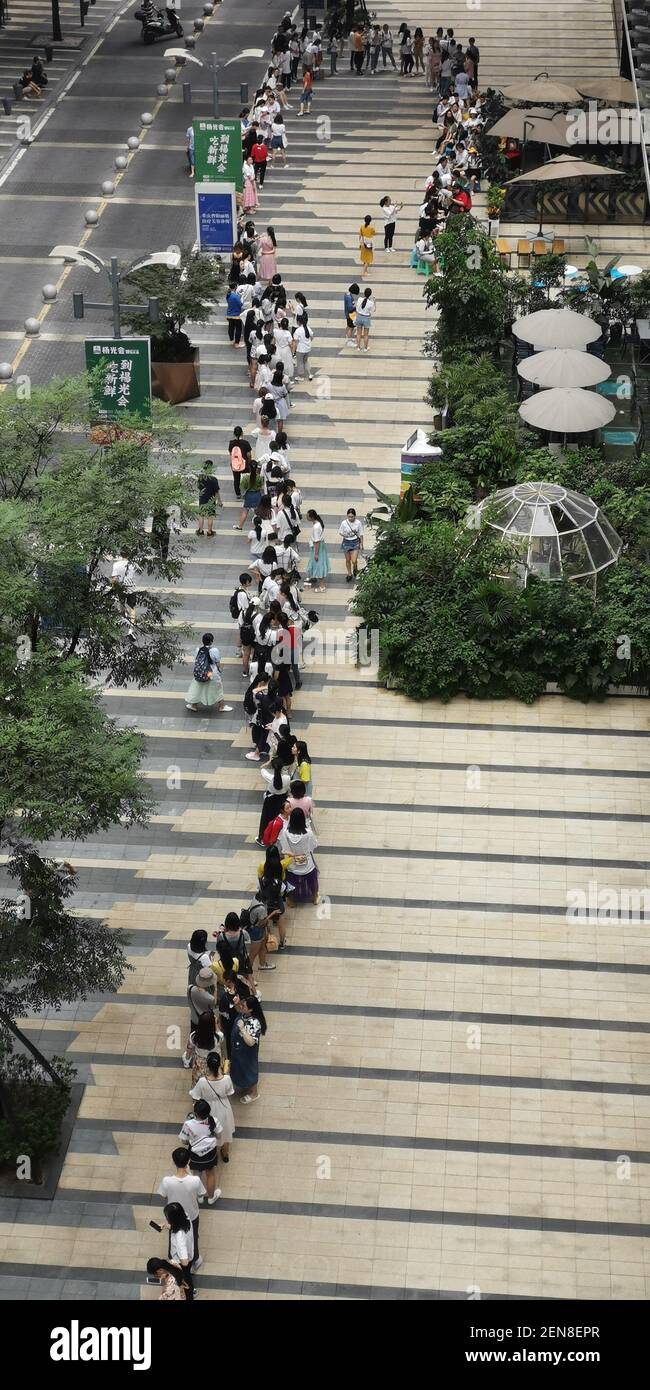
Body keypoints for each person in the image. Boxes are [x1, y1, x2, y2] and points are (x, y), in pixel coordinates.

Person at [158, 1148, 207, 1272]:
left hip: (173, 1215)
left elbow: (163, 1195)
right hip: (192, 1214)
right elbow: (201, 1193)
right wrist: (190, 1174)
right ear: (188, 1161)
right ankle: (194, 1259)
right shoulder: (195, 1180)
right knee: (193, 1236)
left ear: (173, 1161)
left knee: (174, 1235)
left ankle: (174, 1258)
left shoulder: (167, 1181)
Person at [190, 1051, 236, 1162]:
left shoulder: (202, 1081)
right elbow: (230, 1092)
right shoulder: (227, 1079)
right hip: (224, 1107)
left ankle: (211, 1152)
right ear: (220, 1064)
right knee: (225, 1129)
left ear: (207, 1065)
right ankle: (225, 1153)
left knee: (210, 1131)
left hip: (208, 1109)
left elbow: (195, 1095)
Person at [178, 1099, 221, 1201]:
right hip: (210, 1152)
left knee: (196, 1174)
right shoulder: (213, 1121)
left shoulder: (188, 1124)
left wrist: (190, 1142)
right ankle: (211, 1197)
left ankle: (199, 1196)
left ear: (195, 1112)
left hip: (194, 1153)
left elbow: (184, 1141)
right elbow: (219, 1136)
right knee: (210, 1174)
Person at [230, 993, 267, 1102]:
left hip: (247, 1053)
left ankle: (254, 1093)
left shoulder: (255, 1023)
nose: (242, 1007)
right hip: (238, 1051)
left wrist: (242, 1029)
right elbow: (239, 1011)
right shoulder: (245, 1014)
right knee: (240, 1068)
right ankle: (242, 1083)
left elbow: (251, 1042)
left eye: (244, 1006)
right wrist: (237, 1004)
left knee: (249, 1070)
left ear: (250, 1009)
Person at [278, 807, 319, 904]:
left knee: (291, 883)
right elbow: (313, 845)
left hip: (292, 866)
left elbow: (285, 849)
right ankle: (314, 897)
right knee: (312, 881)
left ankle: (291, 901)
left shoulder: (285, 833)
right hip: (307, 865)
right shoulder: (308, 833)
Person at [185, 633, 233, 714]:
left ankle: (194, 705)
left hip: (202, 672)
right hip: (211, 672)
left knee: (199, 687)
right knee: (217, 688)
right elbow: (217, 663)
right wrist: (219, 671)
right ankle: (221, 706)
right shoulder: (214, 650)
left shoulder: (198, 650)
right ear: (211, 642)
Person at [162, 1203, 195, 1300]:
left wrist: (175, 1264)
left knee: (185, 1280)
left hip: (181, 1263)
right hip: (191, 1253)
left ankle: (189, 1296)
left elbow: (184, 1262)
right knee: (187, 1278)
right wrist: (167, 1226)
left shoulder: (179, 1236)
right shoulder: (186, 1216)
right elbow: (178, 1225)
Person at [305, 508, 329, 591]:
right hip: (320, 547)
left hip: (317, 548)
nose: (306, 517)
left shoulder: (316, 527)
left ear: (311, 517)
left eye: (307, 516)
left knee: (319, 565)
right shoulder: (318, 523)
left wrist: (316, 553)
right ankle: (320, 583)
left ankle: (322, 586)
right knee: (319, 565)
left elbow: (317, 541)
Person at [195, 460, 221, 537]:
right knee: (210, 515)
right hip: (211, 499)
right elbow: (217, 491)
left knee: (201, 515)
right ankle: (209, 532)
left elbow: (199, 487)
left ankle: (200, 530)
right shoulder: (214, 479)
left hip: (202, 498)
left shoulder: (200, 478)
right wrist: (219, 501)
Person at [339, 506, 364, 580]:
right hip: (346, 542)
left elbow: (361, 534)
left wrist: (361, 544)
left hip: (355, 541)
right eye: (349, 517)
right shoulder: (344, 523)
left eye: (352, 517)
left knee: (354, 560)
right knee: (347, 560)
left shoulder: (358, 523)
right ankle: (349, 574)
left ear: (355, 516)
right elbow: (340, 532)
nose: (350, 518)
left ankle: (355, 567)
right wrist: (345, 535)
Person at [292, 312, 314, 381]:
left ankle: (300, 376)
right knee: (306, 361)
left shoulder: (298, 330)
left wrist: (293, 352)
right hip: (307, 348)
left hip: (300, 349)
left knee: (300, 362)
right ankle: (310, 374)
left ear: (298, 322)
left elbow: (295, 342)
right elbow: (312, 337)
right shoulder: (308, 328)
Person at [355, 286, 375, 352]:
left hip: (359, 317)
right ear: (370, 294)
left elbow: (357, 306)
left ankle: (358, 347)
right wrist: (374, 301)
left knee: (358, 333)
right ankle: (365, 348)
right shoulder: (371, 303)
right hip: (366, 318)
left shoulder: (359, 299)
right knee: (366, 335)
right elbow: (373, 310)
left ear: (364, 293)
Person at [226, 282, 243, 346]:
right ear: (235, 287)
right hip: (236, 315)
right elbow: (240, 304)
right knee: (238, 329)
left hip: (229, 314)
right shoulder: (236, 296)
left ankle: (231, 339)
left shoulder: (228, 295)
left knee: (231, 327)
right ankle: (236, 342)